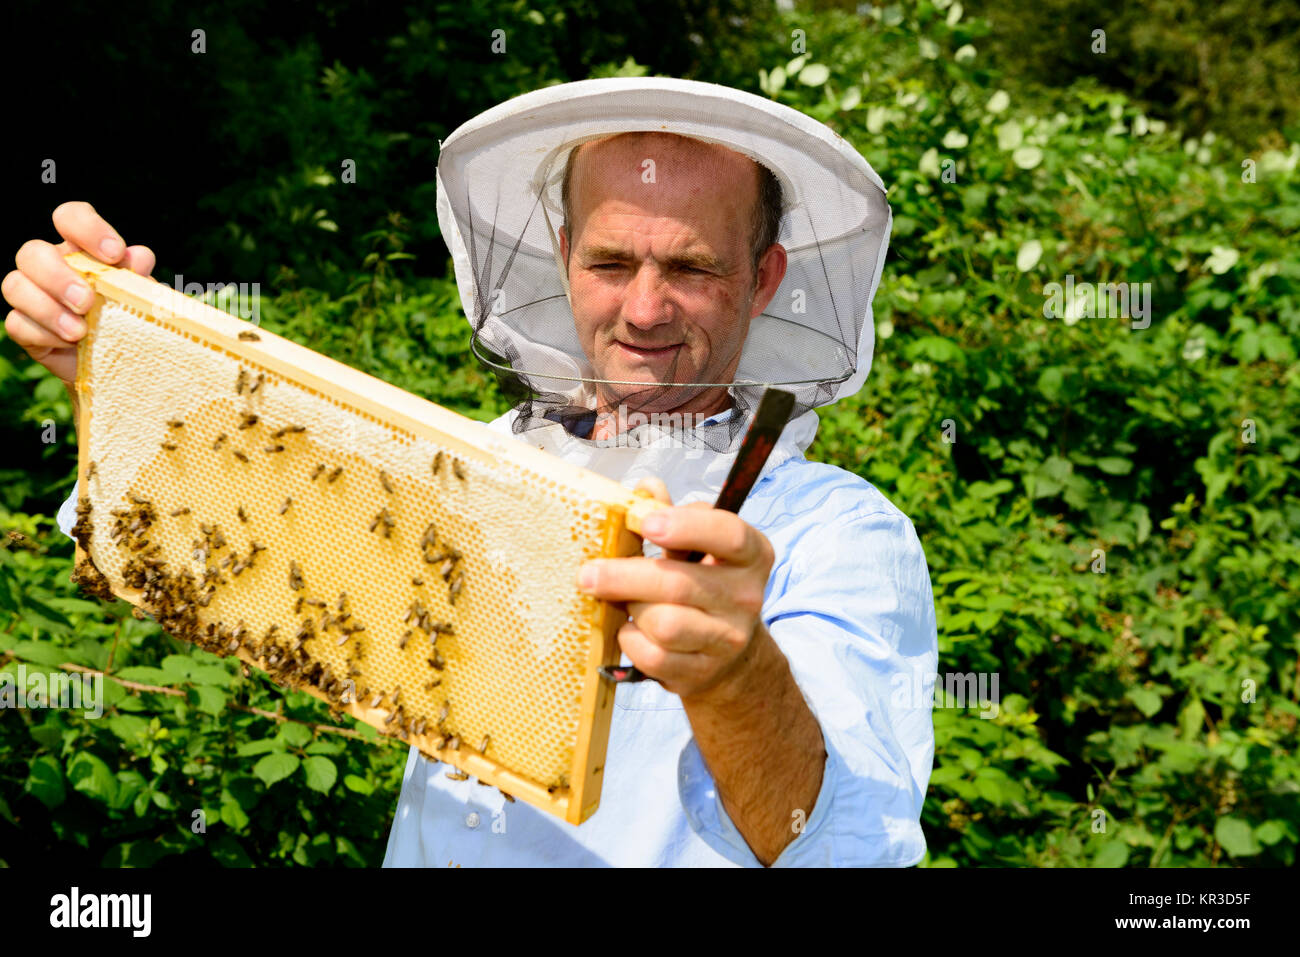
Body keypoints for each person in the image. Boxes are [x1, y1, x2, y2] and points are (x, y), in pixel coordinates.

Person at [6, 77, 938, 867]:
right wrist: (121, 358)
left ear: (764, 277)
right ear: (565, 256)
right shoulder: (479, 469)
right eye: (611, 260)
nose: (644, 307)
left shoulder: (836, 534)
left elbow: (846, 847)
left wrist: (737, 678)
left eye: (690, 268)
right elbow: (240, 551)